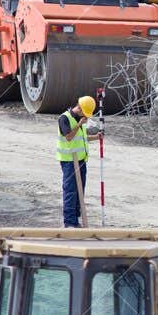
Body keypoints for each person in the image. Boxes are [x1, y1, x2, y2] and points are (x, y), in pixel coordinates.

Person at [57, 96, 97, 227]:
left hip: (80, 160)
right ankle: (69, 222)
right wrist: (79, 124)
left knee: (80, 191)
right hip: (69, 161)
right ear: (80, 109)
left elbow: (81, 138)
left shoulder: (79, 119)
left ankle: (76, 219)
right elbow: (68, 137)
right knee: (71, 191)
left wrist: (96, 137)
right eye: (86, 113)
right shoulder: (64, 118)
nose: (86, 116)